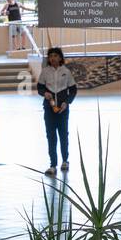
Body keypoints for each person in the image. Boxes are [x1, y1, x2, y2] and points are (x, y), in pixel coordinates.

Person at [37, 47, 77, 176]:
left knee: (63, 134)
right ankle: (53, 165)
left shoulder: (66, 71)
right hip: (49, 108)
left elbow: (73, 90)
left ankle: (65, 160)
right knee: (51, 136)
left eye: (55, 56)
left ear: (60, 57)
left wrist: (67, 102)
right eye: (50, 56)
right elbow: (40, 88)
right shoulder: (44, 72)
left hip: (63, 109)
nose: (53, 58)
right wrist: (45, 94)